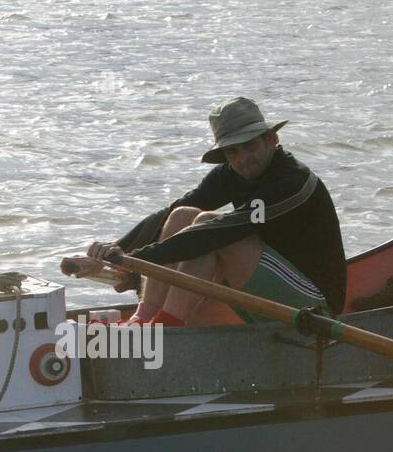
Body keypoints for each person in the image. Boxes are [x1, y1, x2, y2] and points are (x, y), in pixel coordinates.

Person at [84, 97, 346, 326]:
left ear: (271, 139)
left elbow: (217, 234)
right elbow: (170, 214)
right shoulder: (231, 174)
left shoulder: (290, 182)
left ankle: (166, 327)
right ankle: (144, 317)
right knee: (183, 216)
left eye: (250, 146)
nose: (243, 158)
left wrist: (135, 260)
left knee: (209, 226)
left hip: (315, 307)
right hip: (269, 292)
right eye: (232, 151)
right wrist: (114, 254)